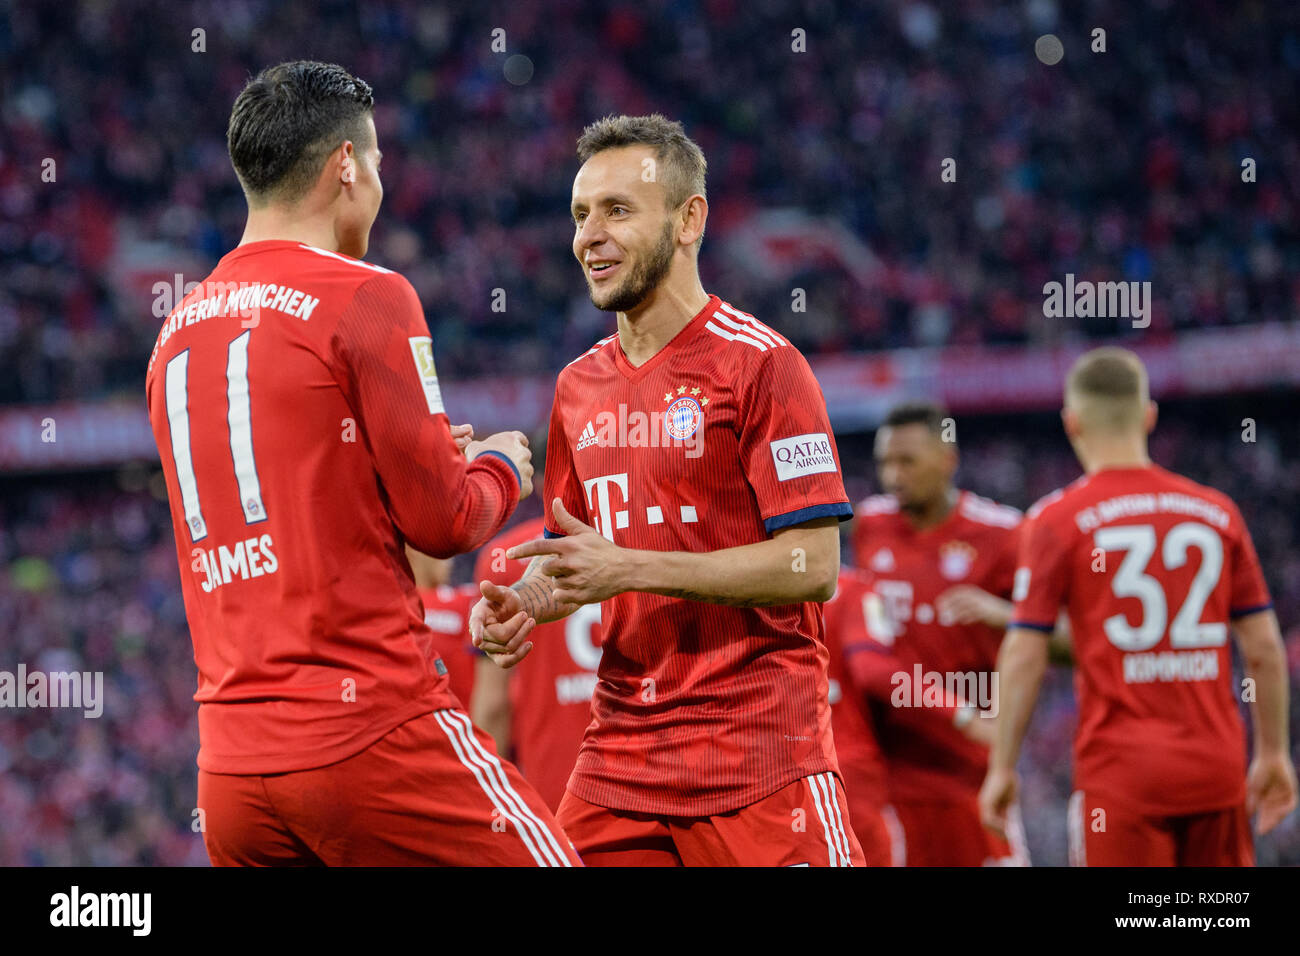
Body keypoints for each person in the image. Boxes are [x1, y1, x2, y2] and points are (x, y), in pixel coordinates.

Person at [145, 61, 578, 866]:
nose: (378, 184)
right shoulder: (365, 294)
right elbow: (447, 523)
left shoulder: (174, 334)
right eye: (376, 163)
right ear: (346, 163)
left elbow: (295, 495)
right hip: (370, 738)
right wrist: (499, 466)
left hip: (233, 771)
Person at [471, 114, 863, 866]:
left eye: (618, 210)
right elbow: (574, 560)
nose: (590, 235)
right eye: (582, 214)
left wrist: (632, 567)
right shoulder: (576, 386)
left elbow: (811, 567)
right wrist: (523, 604)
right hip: (621, 758)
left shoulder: (763, 366)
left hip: (758, 755)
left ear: (690, 219)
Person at [980, 347, 1298, 866]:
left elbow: (1024, 654)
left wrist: (1002, 767)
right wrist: (1273, 753)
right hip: (1216, 770)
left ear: (1072, 423)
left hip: (1122, 776)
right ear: (1149, 414)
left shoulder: (1058, 520)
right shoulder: (1217, 513)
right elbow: (1263, 647)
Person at [852, 402, 1029, 865]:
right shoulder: (870, 526)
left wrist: (1007, 615)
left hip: (971, 771)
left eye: (907, 461)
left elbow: (1070, 641)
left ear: (947, 460)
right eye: (885, 462)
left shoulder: (1004, 534)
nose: (893, 476)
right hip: (889, 777)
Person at [471, 508, 603, 813]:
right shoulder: (627, 541)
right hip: (641, 775)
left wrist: (488, 802)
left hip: (552, 783)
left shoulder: (504, 556)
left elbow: (494, 705)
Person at [407, 547, 480, 708]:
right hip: (465, 722)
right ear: (413, 551)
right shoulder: (465, 602)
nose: (449, 559)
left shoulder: (394, 608)